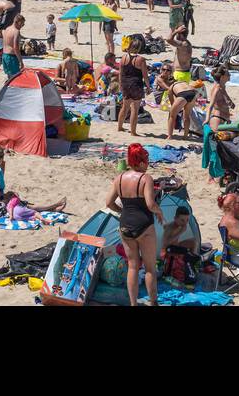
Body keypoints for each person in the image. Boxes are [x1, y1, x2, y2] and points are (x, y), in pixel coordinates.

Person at [104, 144, 165, 306]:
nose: (148, 163)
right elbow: (150, 204)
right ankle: (153, 302)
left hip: (125, 225)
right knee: (150, 268)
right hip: (144, 225)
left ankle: (133, 304)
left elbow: (108, 203)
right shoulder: (146, 179)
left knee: (132, 266)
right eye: (146, 160)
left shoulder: (119, 179)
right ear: (141, 162)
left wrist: (121, 211)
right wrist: (159, 212)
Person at [117, 35, 149, 136]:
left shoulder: (123, 57)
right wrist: (148, 87)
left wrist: (120, 86)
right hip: (136, 85)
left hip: (126, 84)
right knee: (135, 109)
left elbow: (120, 74)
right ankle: (133, 132)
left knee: (125, 107)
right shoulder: (141, 59)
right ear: (139, 48)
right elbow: (145, 76)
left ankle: (120, 127)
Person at [206, 65, 234, 131]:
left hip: (225, 119)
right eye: (228, 74)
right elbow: (210, 106)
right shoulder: (217, 89)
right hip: (218, 119)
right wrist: (207, 119)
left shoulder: (222, 87)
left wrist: (230, 102)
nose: (230, 75)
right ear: (222, 77)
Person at [2, 14, 25, 79]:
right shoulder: (16, 31)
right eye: (22, 24)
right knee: (15, 78)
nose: (22, 26)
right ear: (18, 22)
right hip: (11, 57)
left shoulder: (7, 29)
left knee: (9, 77)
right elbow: (16, 48)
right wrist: (20, 61)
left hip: (4, 55)